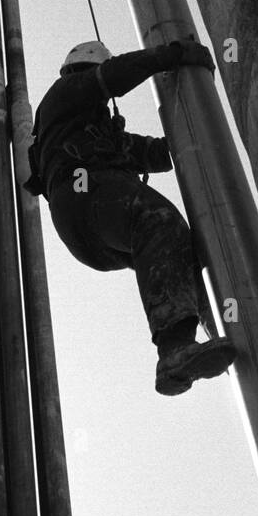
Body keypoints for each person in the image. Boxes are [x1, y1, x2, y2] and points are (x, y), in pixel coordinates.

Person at [25, 39, 235, 395]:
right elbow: (117, 74)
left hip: (88, 225)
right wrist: (171, 55)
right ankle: (174, 349)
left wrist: (195, 134)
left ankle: (222, 343)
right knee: (160, 221)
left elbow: (151, 153)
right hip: (85, 194)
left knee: (183, 254)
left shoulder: (96, 131)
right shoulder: (66, 93)